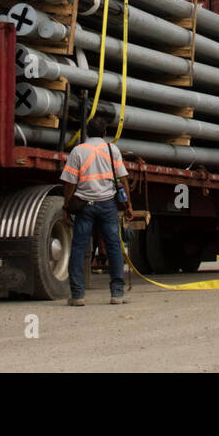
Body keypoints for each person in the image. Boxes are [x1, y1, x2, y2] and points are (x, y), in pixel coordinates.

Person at [60, 115, 136, 306]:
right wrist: (128, 206)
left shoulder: (78, 151)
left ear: (86, 132)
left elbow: (69, 182)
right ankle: (117, 294)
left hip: (84, 206)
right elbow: (123, 179)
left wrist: (67, 206)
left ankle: (77, 296)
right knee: (114, 247)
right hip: (107, 205)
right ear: (104, 133)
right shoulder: (112, 150)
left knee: (78, 249)